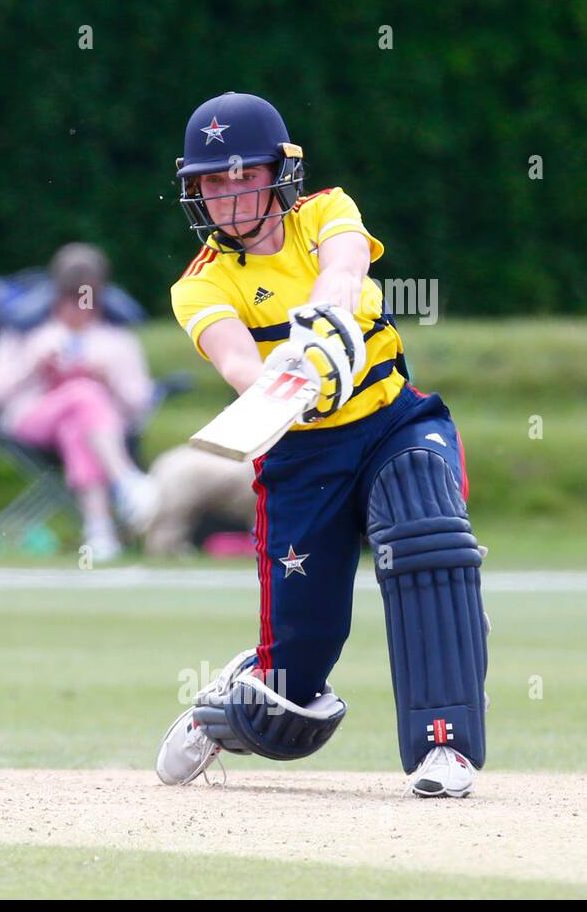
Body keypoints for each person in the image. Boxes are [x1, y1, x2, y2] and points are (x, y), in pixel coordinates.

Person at [155, 92, 488, 798]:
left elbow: (342, 271)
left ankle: (444, 749)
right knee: (294, 684)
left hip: (391, 421)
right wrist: (288, 379)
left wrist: (324, 325)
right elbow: (238, 363)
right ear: (195, 192)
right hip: (301, 455)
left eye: (244, 175)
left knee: (427, 536)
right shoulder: (202, 284)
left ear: (281, 173)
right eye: (214, 182)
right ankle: (227, 708)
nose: (231, 194)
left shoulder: (328, 213)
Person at [0, 243, 161, 562]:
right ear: (56, 295)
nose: (79, 307)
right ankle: (125, 480)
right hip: (30, 422)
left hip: (95, 432)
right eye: (70, 298)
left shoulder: (117, 338)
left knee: (79, 422)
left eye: (87, 298)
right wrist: (31, 368)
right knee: (82, 394)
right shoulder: (27, 332)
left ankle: (99, 533)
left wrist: (109, 380)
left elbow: (140, 403)